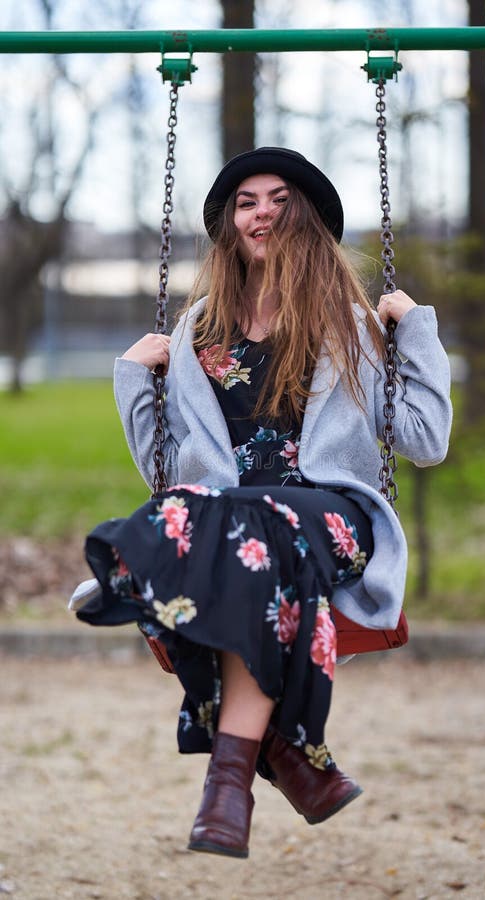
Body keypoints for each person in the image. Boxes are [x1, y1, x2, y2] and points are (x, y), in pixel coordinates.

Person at [72, 147, 452, 859]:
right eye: (246, 201)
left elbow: (425, 439)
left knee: (247, 527)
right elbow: (169, 464)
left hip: (332, 516)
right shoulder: (197, 332)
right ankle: (284, 754)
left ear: (304, 217)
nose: (263, 212)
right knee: (174, 523)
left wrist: (415, 332)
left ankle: (230, 778)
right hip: (237, 526)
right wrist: (133, 376)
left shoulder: (351, 323)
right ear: (229, 225)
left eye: (279, 198)